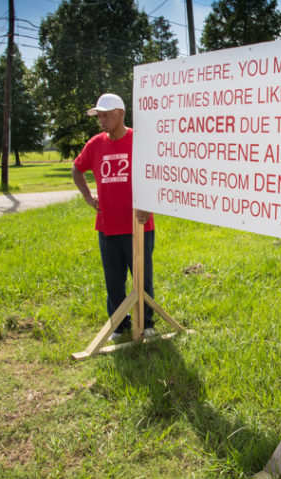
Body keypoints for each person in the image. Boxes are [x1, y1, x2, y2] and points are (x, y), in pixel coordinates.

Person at [72, 93, 156, 341]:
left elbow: (158, 172)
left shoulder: (140, 140)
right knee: (113, 280)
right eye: (99, 116)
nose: (102, 120)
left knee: (143, 278)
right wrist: (88, 198)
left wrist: (149, 204)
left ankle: (147, 323)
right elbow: (77, 169)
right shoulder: (95, 143)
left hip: (139, 224)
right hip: (107, 226)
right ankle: (119, 326)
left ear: (121, 113)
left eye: (106, 115)